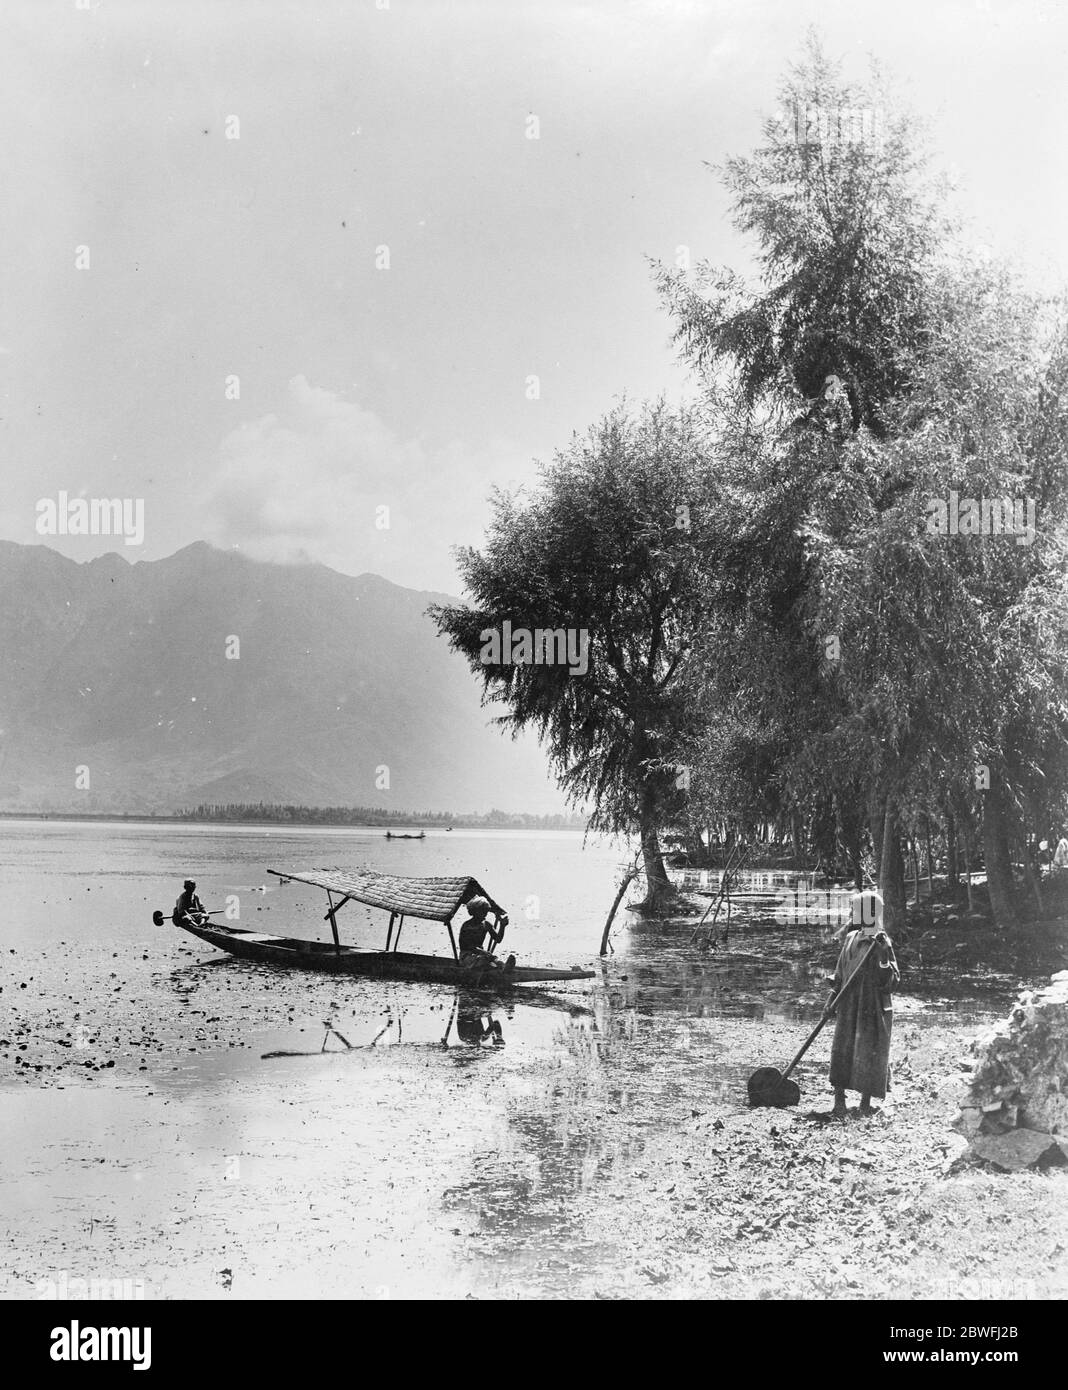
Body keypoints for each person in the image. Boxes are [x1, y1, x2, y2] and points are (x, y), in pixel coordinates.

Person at [829, 889, 900, 1119]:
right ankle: (839, 1101)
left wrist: (881, 958)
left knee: (867, 1050)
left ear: (869, 913)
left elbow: (891, 980)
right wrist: (831, 999)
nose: (852, 912)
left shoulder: (881, 942)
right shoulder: (851, 939)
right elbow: (839, 972)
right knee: (842, 1049)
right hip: (848, 1004)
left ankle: (865, 1102)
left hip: (870, 1006)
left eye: (856, 909)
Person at [457, 898, 515, 976]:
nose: (485, 914)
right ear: (474, 912)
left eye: (486, 911)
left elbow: (498, 939)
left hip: (480, 955)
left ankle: (503, 968)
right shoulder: (467, 925)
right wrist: (483, 952)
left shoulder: (486, 924)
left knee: (492, 959)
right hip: (467, 956)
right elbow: (466, 946)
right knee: (487, 959)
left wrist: (502, 926)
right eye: (483, 911)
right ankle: (500, 970)